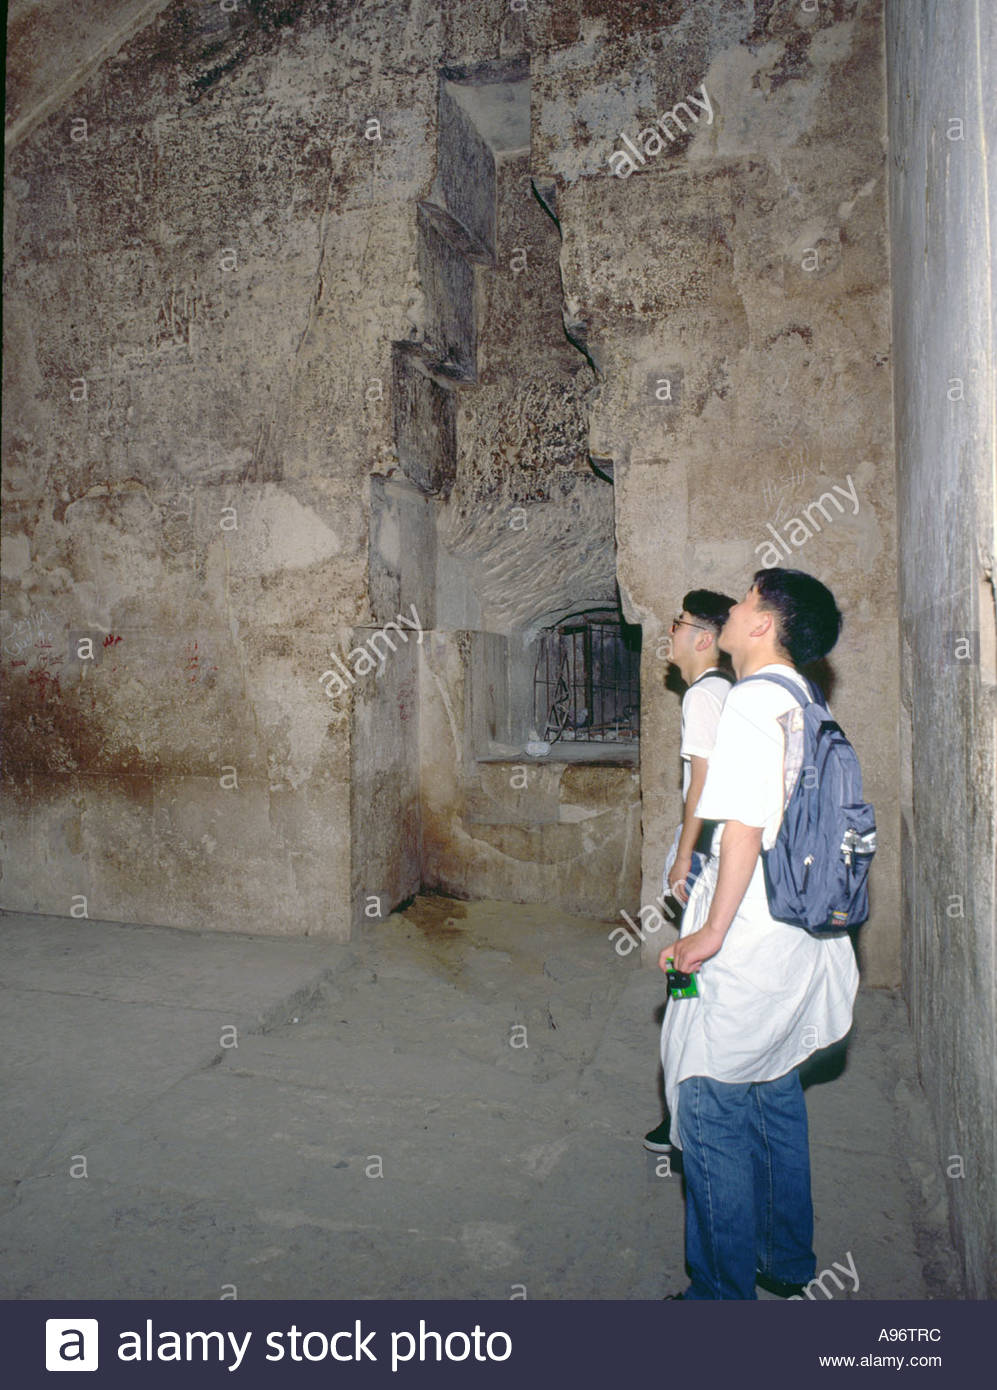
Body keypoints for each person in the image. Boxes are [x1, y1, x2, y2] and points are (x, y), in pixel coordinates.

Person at [659, 568, 859, 1300]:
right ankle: (786, 1259)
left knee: (709, 1104)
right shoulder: (803, 700)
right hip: (803, 938)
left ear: (761, 625)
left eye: (744, 602)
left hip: (749, 940)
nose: (734, 610)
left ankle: (718, 1302)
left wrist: (707, 933)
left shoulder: (747, 704)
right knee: (774, 1094)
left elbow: (741, 826)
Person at [644, 590, 735, 1155]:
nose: (669, 633)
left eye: (677, 624)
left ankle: (687, 1118)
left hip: (706, 853)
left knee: (689, 977)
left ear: (704, 638)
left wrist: (683, 853)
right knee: (700, 973)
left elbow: (702, 779)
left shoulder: (704, 695)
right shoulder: (724, 691)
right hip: (718, 850)